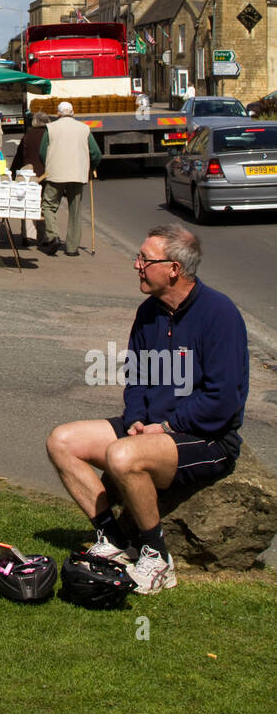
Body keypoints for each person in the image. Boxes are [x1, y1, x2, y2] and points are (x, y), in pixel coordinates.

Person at [46, 225, 248, 594]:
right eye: (138, 257)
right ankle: (114, 540)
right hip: (151, 429)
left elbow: (223, 399)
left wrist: (168, 426)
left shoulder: (220, 314)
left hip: (205, 438)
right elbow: (136, 378)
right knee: (62, 440)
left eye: (144, 259)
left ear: (174, 268)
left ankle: (157, 558)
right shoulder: (148, 312)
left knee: (122, 456)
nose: (136, 265)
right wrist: (138, 418)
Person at [39, 100, 101, 256]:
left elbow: (42, 152)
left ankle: (53, 236)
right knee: (75, 210)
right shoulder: (84, 128)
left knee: (48, 205)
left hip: (55, 174)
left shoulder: (50, 128)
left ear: (58, 113)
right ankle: (72, 248)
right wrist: (90, 168)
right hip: (77, 174)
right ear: (73, 113)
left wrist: (49, 164)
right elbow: (96, 153)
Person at [10, 110, 49, 248]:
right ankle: (44, 236)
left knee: (28, 204)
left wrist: (13, 172)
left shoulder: (28, 135)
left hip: (29, 174)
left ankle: (28, 235)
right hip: (46, 174)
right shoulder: (50, 135)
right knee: (44, 204)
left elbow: (20, 155)